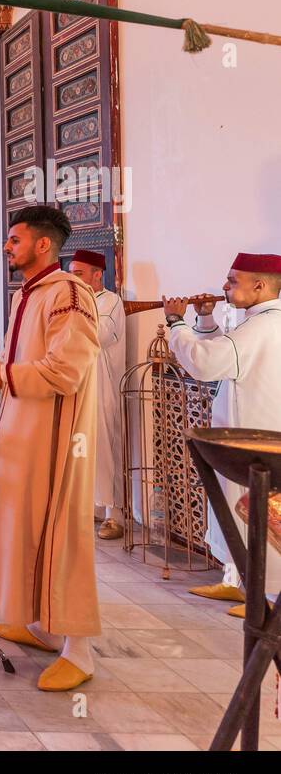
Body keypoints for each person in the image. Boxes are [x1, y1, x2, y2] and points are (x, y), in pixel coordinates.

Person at [0, 205, 101, 692]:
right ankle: (39, 625)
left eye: (14, 239)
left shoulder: (70, 294)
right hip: (22, 430)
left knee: (61, 536)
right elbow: (23, 367)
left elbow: (66, 371)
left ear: (42, 244)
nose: (6, 246)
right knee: (22, 529)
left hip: (58, 439)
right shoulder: (28, 295)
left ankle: (79, 652)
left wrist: (2, 372)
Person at [166, 252, 281, 617]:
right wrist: (203, 317)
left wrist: (174, 323)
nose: (224, 286)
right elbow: (225, 356)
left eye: (233, 281)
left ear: (259, 286)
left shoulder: (261, 327)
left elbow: (206, 362)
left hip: (255, 444)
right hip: (255, 438)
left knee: (257, 519)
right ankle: (244, 586)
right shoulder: (258, 323)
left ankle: (264, 601)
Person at [68, 250, 127, 539]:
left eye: (78, 273)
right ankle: (89, 504)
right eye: (71, 273)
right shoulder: (73, 302)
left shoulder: (111, 302)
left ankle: (114, 514)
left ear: (97, 274)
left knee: (106, 448)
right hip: (78, 384)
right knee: (81, 447)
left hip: (103, 386)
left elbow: (101, 335)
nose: (73, 279)